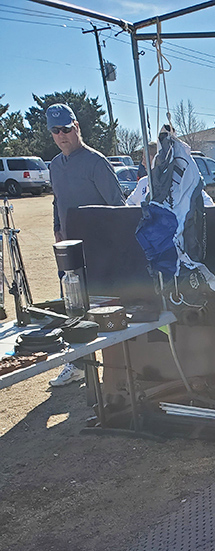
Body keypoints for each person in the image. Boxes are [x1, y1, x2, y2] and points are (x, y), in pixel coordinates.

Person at [46, 103, 125, 386]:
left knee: (104, 307)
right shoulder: (55, 165)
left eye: (66, 128)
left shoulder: (96, 162)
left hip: (100, 250)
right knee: (72, 306)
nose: (62, 135)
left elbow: (118, 208)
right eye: (56, 131)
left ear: (76, 127)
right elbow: (58, 200)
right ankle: (77, 363)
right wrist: (57, 228)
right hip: (69, 248)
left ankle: (117, 369)